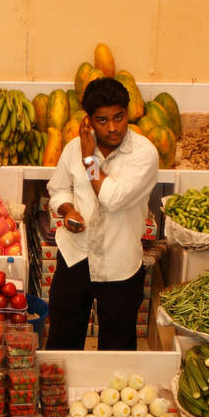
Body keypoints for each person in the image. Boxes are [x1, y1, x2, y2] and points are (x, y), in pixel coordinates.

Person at [45, 77, 160, 351]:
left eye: (119, 118)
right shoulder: (74, 148)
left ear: (128, 113)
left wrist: (89, 160)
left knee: (117, 348)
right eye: (102, 120)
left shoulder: (143, 154)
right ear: (89, 120)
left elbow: (111, 197)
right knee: (62, 339)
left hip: (118, 263)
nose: (113, 127)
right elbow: (58, 190)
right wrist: (68, 209)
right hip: (75, 256)